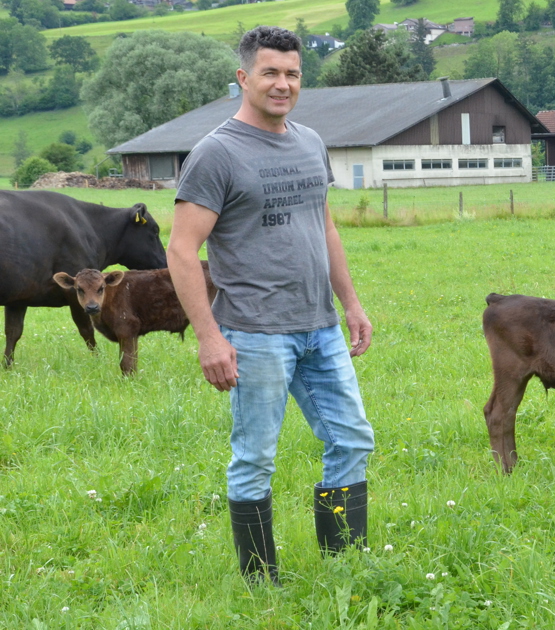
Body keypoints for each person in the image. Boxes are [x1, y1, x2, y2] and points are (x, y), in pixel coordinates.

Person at [167, 25, 375, 585]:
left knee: (352, 439)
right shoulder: (216, 154)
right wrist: (209, 337)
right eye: (270, 73)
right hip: (254, 332)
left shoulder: (310, 142)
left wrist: (351, 303)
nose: (283, 84)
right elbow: (182, 250)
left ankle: (343, 566)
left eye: (292, 74)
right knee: (255, 458)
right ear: (244, 77)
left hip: (320, 327)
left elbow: (324, 228)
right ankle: (260, 581)